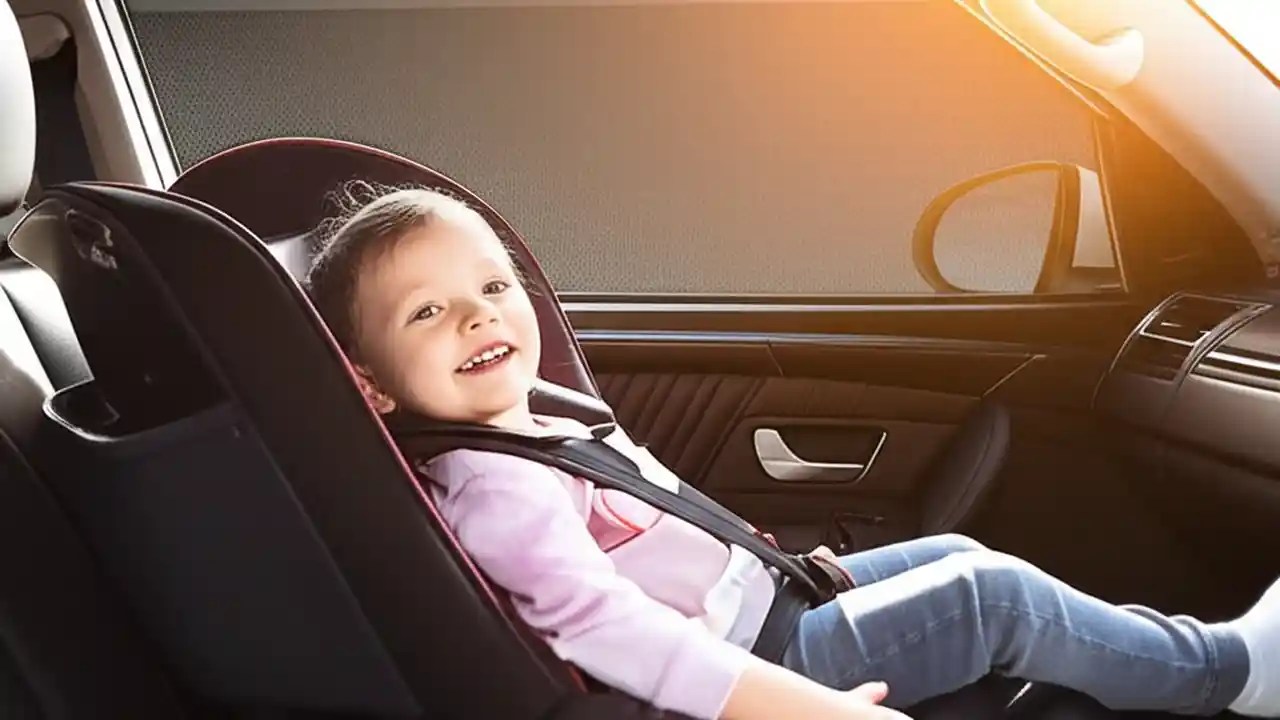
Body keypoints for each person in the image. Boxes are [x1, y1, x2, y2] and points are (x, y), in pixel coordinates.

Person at [305, 183, 1279, 720]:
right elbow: (612, 633)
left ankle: (1158, 654)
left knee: (957, 560)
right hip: (762, 658)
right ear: (371, 384)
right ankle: (1222, 672)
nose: (479, 313)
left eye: (493, 283)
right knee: (989, 600)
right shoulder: (491, 490)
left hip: (770, 600)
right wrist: (798, 713)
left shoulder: (524, 422)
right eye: (427, 311)